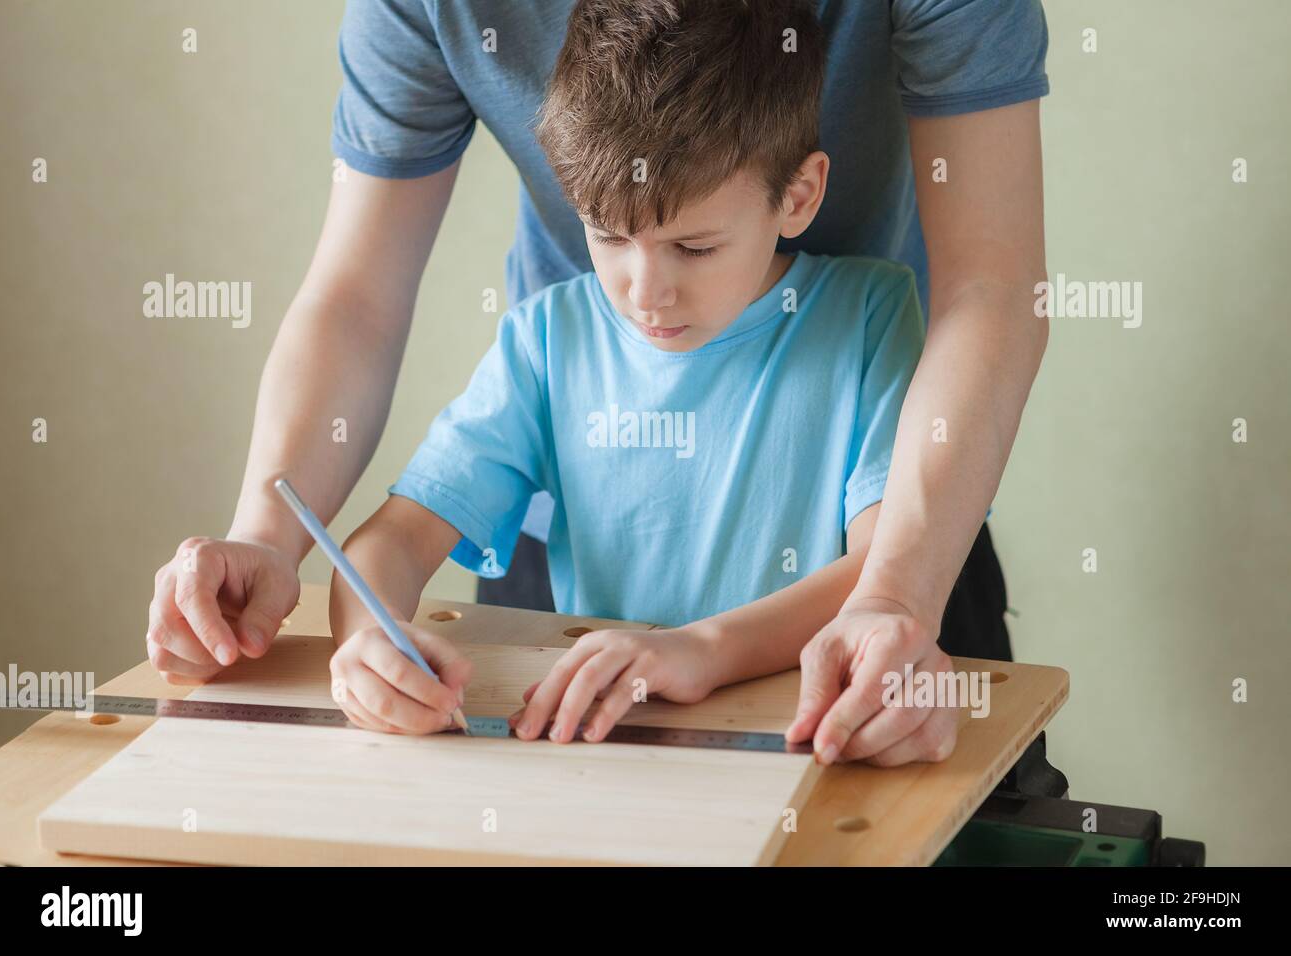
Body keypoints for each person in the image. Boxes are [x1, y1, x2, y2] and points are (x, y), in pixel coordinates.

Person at [146, 0, 1049, 767]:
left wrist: (886, 599)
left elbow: (992, 287)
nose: (646, 294)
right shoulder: (551, 343)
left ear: (800, 196)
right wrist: (311, 580)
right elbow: (355, 303)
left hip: (892, 579)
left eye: (693, 247)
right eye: (607, 235)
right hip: (577, 646)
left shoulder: (867, 321)